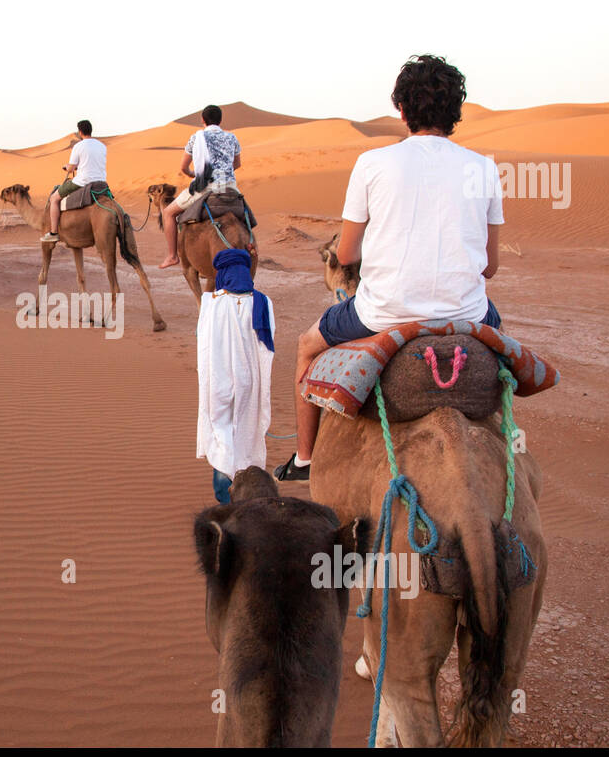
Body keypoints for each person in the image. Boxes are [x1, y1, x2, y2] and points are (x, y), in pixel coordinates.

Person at [274, 54, 504, 483]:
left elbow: (345, 256)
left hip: (381, 313)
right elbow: (490, 267)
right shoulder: (484, 168)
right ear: (456, 111)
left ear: (402, 110)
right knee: (500, 351)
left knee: (306, 345)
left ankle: (304, 460)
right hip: (468, 314)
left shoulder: (372, 164)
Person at [197, 248, 275, 503]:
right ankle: (249, 495)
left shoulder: (211, 303)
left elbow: (203, 345)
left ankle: (225, 498)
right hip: (251, 383)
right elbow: (268, 345)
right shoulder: (263, 302)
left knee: (222, 437)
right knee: (248, 435)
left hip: (218, 382)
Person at [159, 104, 241, 269]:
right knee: (245, 214)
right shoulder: (232, 138)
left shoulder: (196, 138)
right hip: (231, 187)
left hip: (207, 187)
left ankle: (172, 256)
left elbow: (183, 167)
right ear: (220, 120)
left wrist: (193, 174)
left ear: (202, 120)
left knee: (168, 213)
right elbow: (237, 164)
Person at [41, 119, 107, 244]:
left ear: (80, 132)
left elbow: (71, 167)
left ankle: (54, 232)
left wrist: (68, 167)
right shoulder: (102, 146)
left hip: (83, 181)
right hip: (101, 182)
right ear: (91, 130)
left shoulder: (78, 146)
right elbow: (91, 163)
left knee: (54, 199)